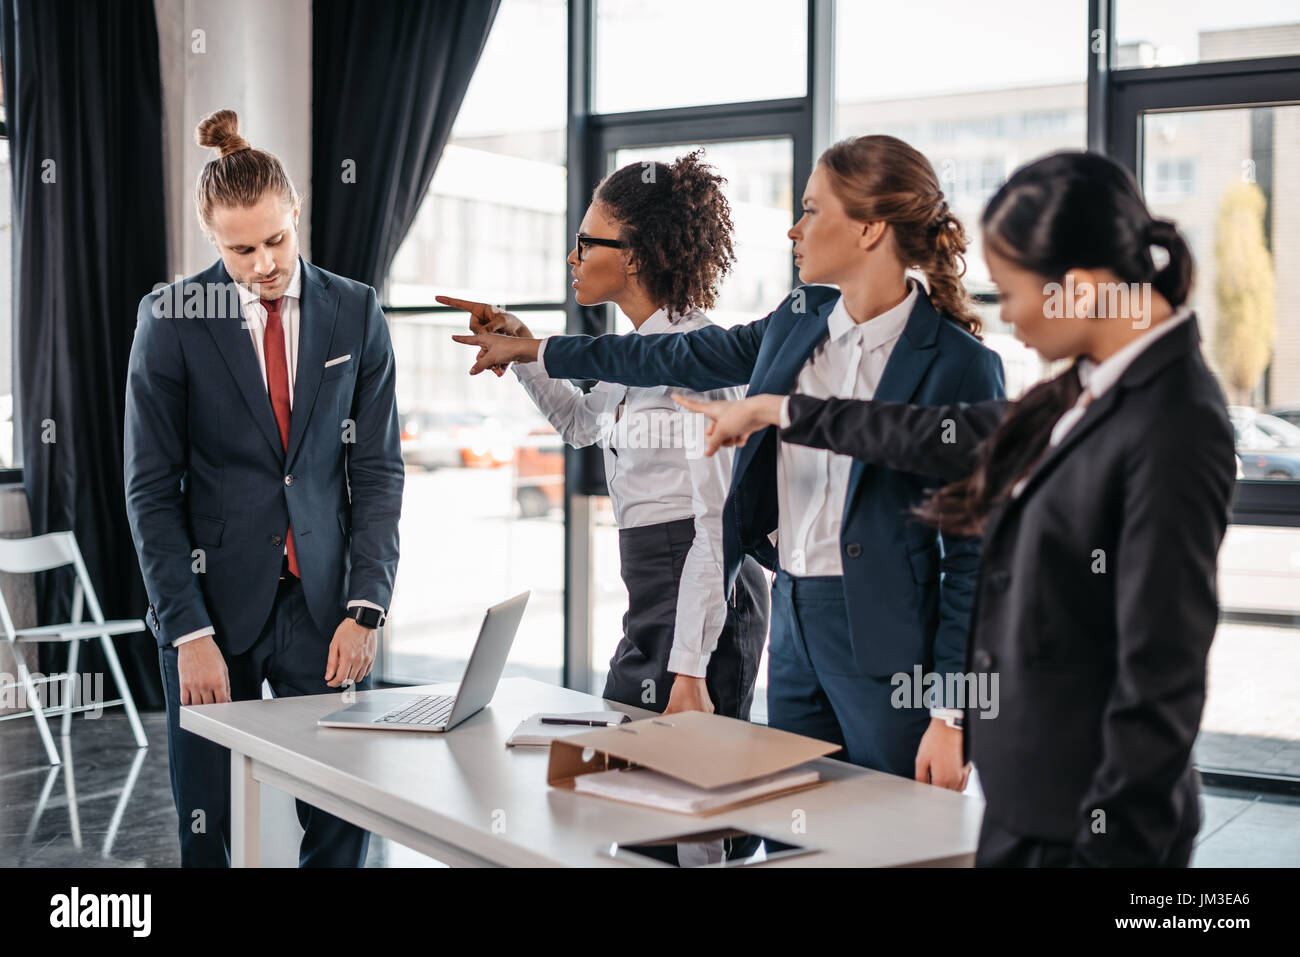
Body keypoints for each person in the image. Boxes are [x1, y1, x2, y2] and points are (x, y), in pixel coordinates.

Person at [673, 150, 1236, 867]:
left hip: (1086, 828)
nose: (1009, 316)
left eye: (1013, 290)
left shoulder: (1173, 422)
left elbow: (1159, 679)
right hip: (1029, 805)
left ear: (1085, 289)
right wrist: (778, 408)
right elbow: (927, 434)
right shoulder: (1087, 388)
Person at [453, 136, 1006, 788]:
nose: (794, 228)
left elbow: (975, 560)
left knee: (895, 844)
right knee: (795, 830)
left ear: (869, 228)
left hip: (889, 647)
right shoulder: (798, 319)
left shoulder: (963, 364)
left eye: (810, 210)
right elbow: (665, 358)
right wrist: (538, 350)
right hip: (795, 628)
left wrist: (951, 710)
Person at [124, 109, 404, 867]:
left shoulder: (356, 310)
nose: (262, 264)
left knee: (345, 816)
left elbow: (376, 469)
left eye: (276, 240)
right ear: (210, 240)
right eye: (239, 248)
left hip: (326, 607)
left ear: (296, 213)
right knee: (208, 827)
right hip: (211, 614)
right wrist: (187, 632)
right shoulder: (172, 318)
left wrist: (365, 605)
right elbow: (149, 489)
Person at [442, 152, 769, 718]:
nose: (573, 255)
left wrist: (689, 665)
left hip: (700, 594)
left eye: (586, 241)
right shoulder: (634, 355)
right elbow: (580, 424)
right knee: (631, 766)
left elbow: (717, 528)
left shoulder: (696, 360)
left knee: (678, 781)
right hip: (653, 588)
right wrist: (519, 347)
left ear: (636, 258)